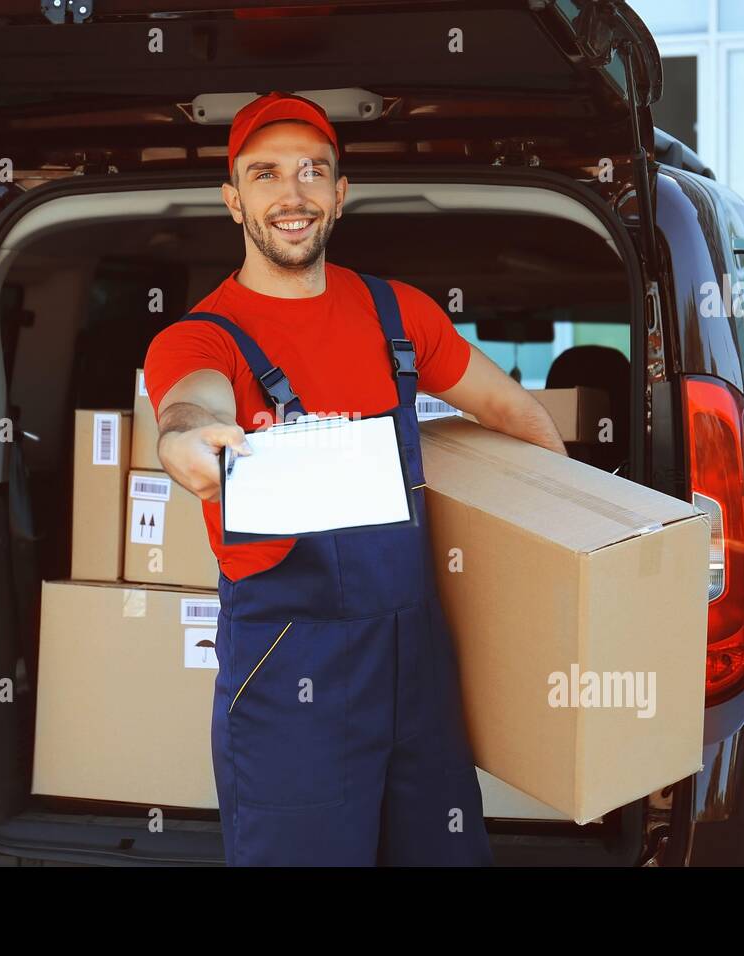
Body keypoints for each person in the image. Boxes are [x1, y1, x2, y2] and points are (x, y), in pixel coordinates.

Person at [143, 91, 567, 866]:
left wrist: (571, 544)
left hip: (416, 660)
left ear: (341, 194)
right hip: (289, 671)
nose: (292, 193)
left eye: (313, 171)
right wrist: (183, 438)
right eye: (266, 174)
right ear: (233, 199)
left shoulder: (399, 314)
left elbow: (519, 416)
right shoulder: (201, 337)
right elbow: (187, 404)